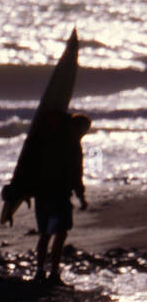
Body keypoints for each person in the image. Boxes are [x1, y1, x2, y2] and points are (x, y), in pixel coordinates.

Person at [33, 111, 91, 285]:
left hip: (43, 195)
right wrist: (81, 197)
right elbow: (76, 174)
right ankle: (50, 272)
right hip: (56, 197)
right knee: (58, 233)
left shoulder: (51, 141)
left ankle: (42, 271)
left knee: (48, 233)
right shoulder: (71, 146)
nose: (83, 133)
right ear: (75, 127)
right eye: (83, 130)